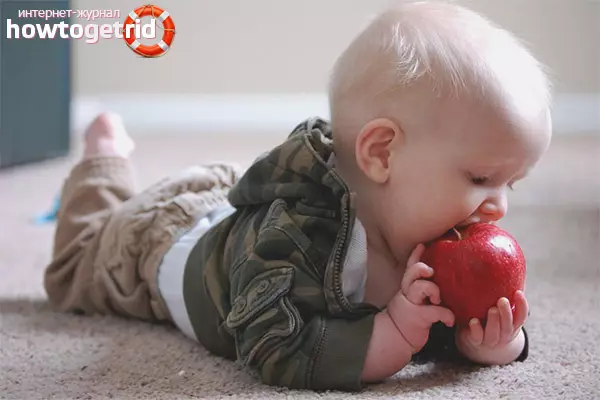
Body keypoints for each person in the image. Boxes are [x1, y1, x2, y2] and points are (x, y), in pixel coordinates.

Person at [44, 1, 552, 392]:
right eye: (481, 177)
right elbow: (273, 346)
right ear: (382, 154)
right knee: (76, 265)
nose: (498, 207)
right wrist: (395, 328)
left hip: (227, 211)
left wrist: (490, 342)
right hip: (157, 245)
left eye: (511, 183)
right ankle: (102, 158)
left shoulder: (433, 232)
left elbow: (449, 324)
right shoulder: (296, 236)